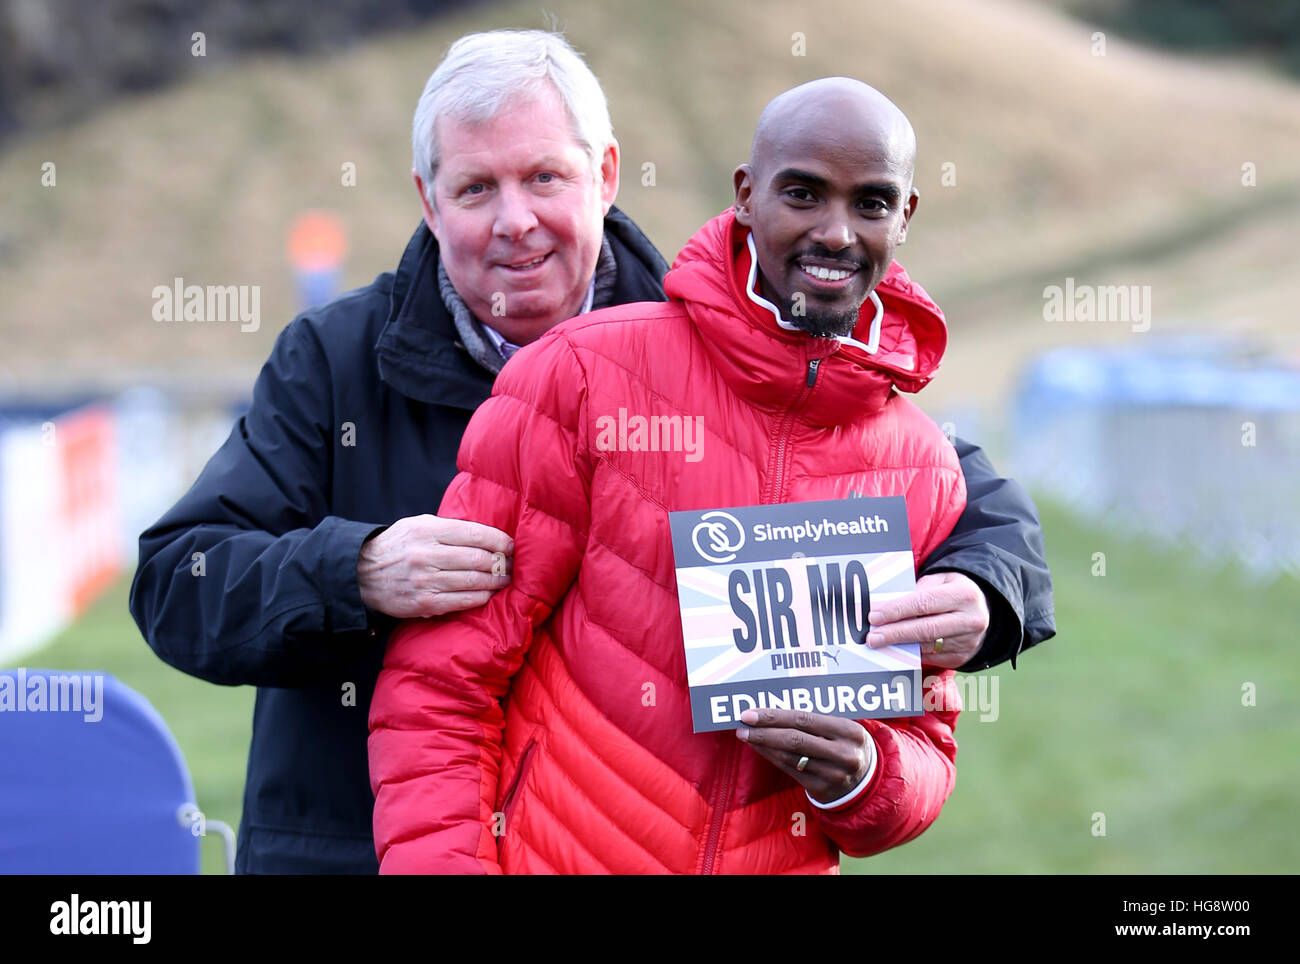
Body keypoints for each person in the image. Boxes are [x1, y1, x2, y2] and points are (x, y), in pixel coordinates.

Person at [130, 30, 1053, 875]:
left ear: (605, 174)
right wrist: (356, 570)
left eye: (545, 178)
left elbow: (954, 489)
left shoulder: (715, 344)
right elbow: (179, 581)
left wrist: (985, 595)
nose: (515, 221)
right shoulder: (333, 359)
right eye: (475, 188)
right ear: (428, 200)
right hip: (346, 845)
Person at [368, 77, 1017, 874]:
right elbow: (442, 685)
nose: (837, 232)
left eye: (872, 204)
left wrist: (867, 775)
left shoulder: (923, 464)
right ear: (746, 196)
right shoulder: (581, 374)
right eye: (804, 194)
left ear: (905, 216)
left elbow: (921, 763)